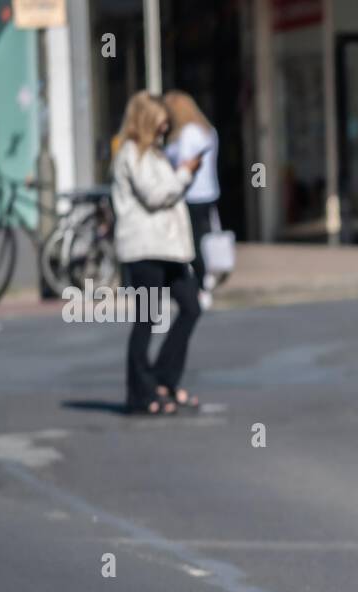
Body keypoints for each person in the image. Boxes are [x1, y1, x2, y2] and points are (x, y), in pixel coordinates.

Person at [111, 91, 204, 415]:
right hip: (145, 250)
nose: (165, 129)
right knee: (146, 319)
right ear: (147, 121)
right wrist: (185, 173)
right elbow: (154, 196)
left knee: (191, 306)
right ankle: (139, 393)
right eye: (161, 123)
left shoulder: (154, 154)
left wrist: (183, 174)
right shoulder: (131, 154)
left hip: (170, 249)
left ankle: (163, 379)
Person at [162, 90, 221, 310]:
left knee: (192, 241)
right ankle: (204, 278)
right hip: (209, 191)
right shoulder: (208, 131)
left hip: (191, 193)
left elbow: (184, 164)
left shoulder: (187, 134)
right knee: (202, 237)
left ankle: (201, 282)